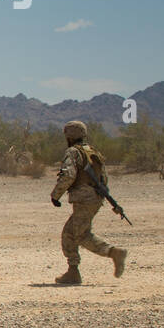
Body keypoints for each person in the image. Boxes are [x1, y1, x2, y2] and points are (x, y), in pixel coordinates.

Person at [51, 120, 128, 285]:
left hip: (83, 199)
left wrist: (55, 195)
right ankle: (73, 272)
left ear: (69, 135)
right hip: (95, 198)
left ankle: (114, 252)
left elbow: (68, 175)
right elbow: (103, 178)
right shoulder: (92, 151)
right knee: (69, 233)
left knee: (81, 235)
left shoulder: (72, 152)